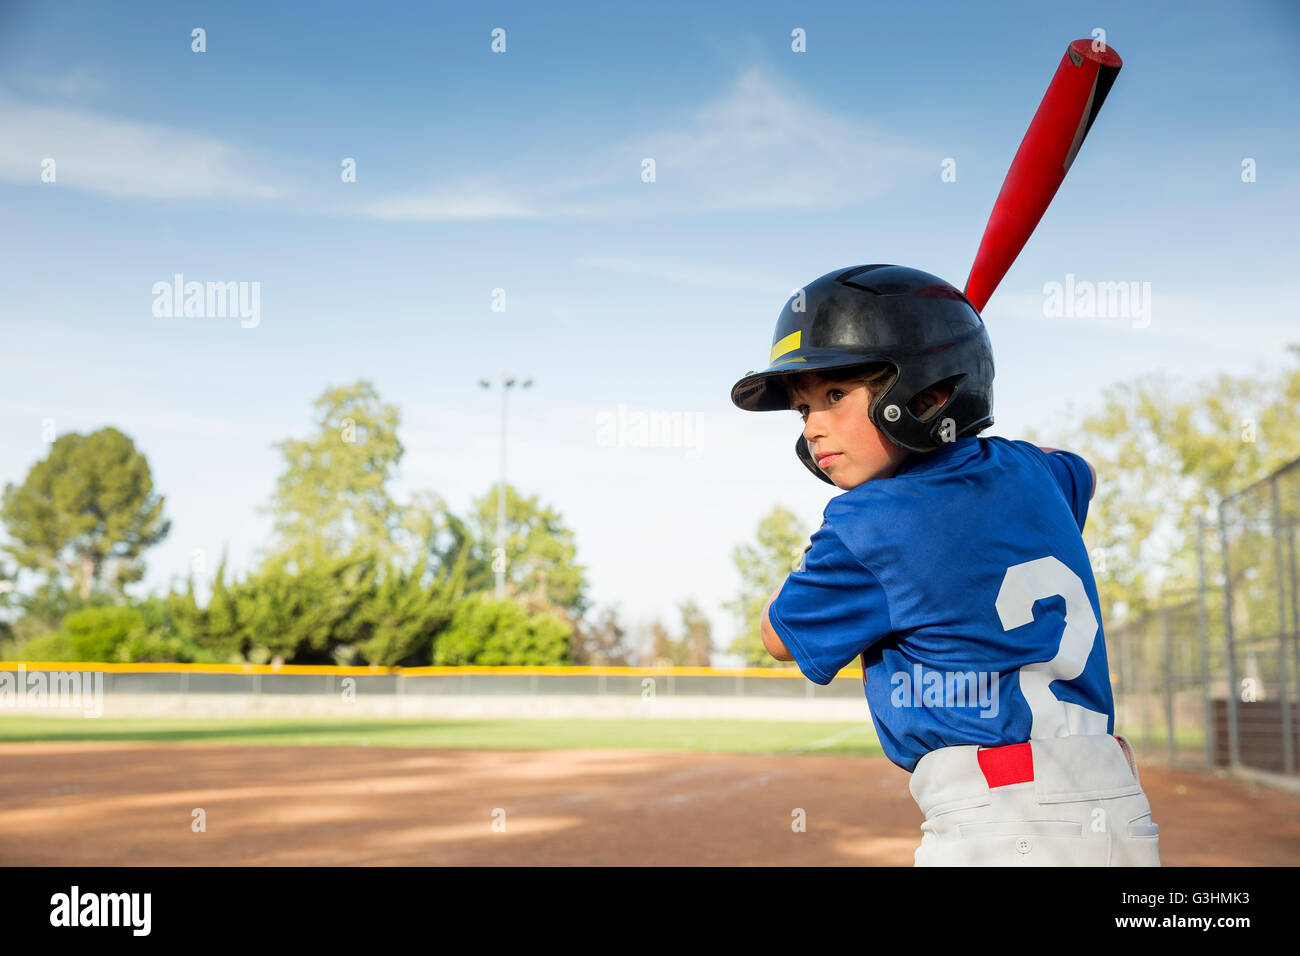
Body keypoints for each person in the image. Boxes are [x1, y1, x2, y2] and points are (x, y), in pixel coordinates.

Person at [730, 263, 1160, 866]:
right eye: (803, 410)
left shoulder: (867, 521)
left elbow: (778, 637)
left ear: (926, 393)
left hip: (1002, 819)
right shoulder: (1033, 473)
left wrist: (836, 538)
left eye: (834, 395)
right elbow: (1080, 468)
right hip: (1116, 805)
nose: (816, 429)